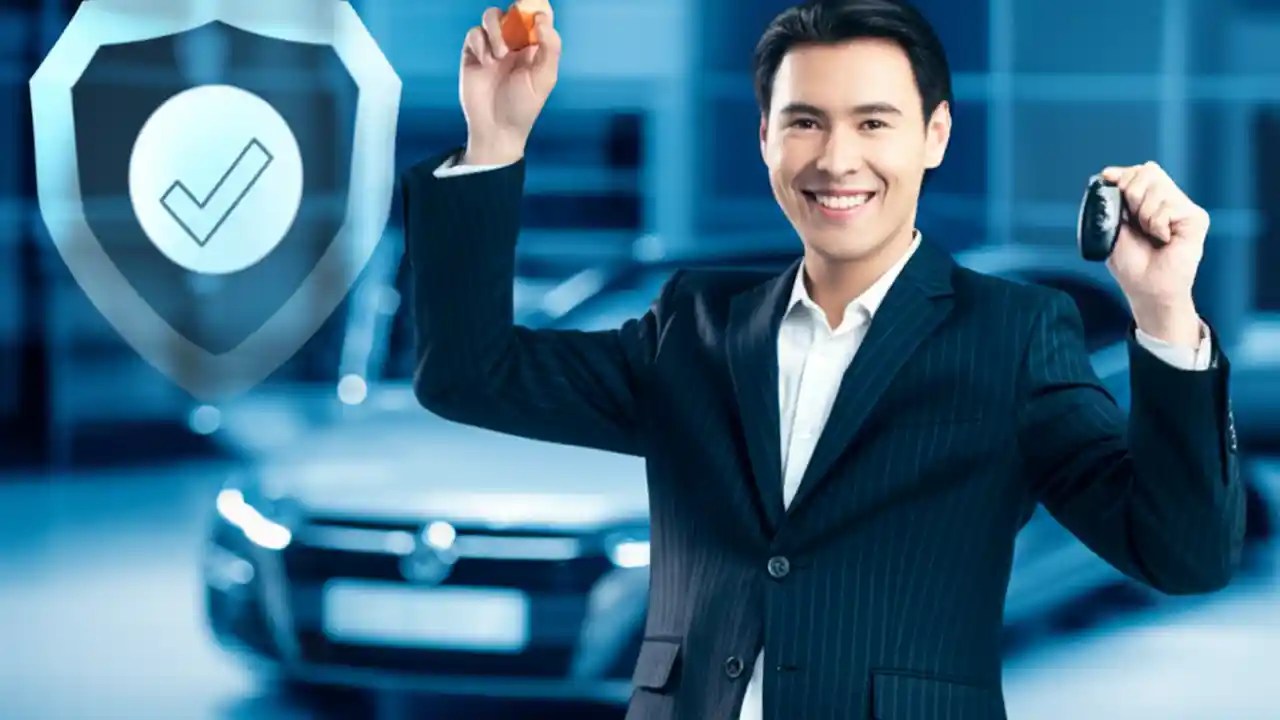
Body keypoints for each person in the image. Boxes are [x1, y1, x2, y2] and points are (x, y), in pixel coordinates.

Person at [399, 0, 1246, 717]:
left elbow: (1184, 555)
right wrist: (494, 138)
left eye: (874, 123)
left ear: (935, 135)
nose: (837, 160)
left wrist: (1165, 311)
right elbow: (470, 373)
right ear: (765, 137)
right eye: (805, 122)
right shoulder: (693, 325)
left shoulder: (1012, 334)